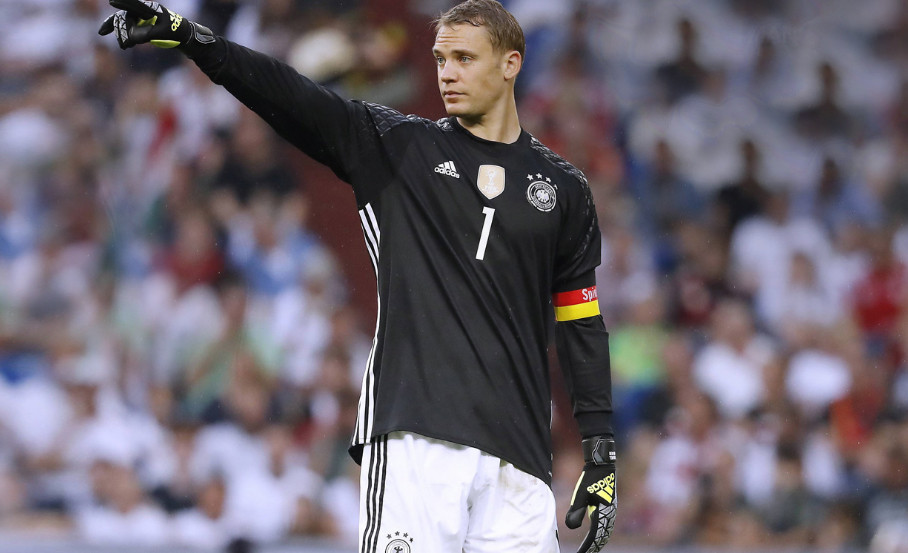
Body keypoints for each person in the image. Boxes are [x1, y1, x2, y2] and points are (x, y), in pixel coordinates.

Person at [98, 1, 617, 552]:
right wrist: (194, 40)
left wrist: (601, 452)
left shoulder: (563, 191)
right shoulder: (398, 148)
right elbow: (289, 95)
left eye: (465, 58)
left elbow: (581, 322)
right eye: (441, 59)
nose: (447, 73)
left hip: (521, 455)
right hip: (418, 438)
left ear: (511, 64)